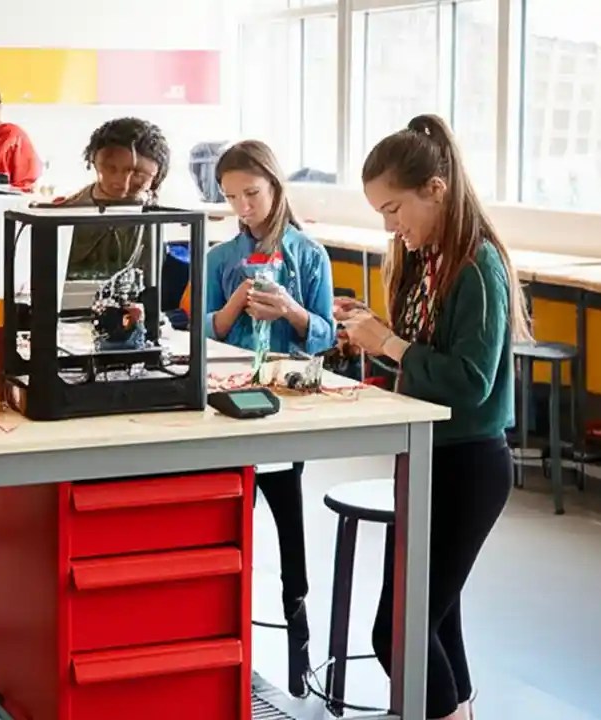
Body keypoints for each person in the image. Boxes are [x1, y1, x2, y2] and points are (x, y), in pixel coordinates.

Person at [339, 114, 530, 720]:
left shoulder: (476, 267)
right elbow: (428, 353)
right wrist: (373, 335)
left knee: (397, 633)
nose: (391, 227)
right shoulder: (428, 263)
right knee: (435, 622)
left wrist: (390, 346)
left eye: (395, 210)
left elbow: (471, 383)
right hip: (429, 456)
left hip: (468, 464)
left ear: (436, 191)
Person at [202, 140, 336, 697]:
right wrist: (233, 306)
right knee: (224, 524)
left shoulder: (309, 256)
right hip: (229, 406)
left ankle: (299, 648)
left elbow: (328, 333)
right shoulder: (219, 258)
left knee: (289, 524)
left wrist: (290, 310)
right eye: (232, 197)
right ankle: (218, 642)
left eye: (252, 193)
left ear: (276, 186)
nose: (244, 207)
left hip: (286, 411)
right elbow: (197, 329)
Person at [53, 117, 171, 279]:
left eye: (137, 173)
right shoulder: (64, 214)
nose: (122, 182)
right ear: (94, 161)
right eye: (111, 168)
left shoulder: (153, 217)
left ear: (156, 177)